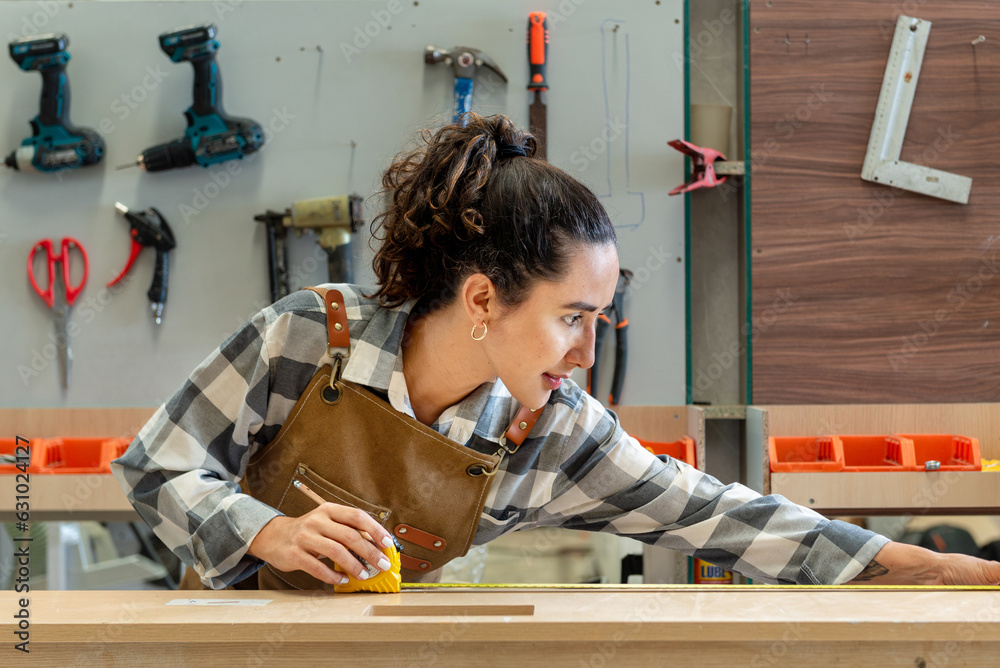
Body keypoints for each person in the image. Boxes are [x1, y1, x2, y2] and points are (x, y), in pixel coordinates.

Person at [112, 113, 1000, 590]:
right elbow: (157, 466)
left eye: (600, 319)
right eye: (573, 316)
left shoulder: (555, 434)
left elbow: (729, 519)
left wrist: (932, 566)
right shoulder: (309, 334)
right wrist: (265, 529)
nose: (586, 350)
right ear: (482, 298)